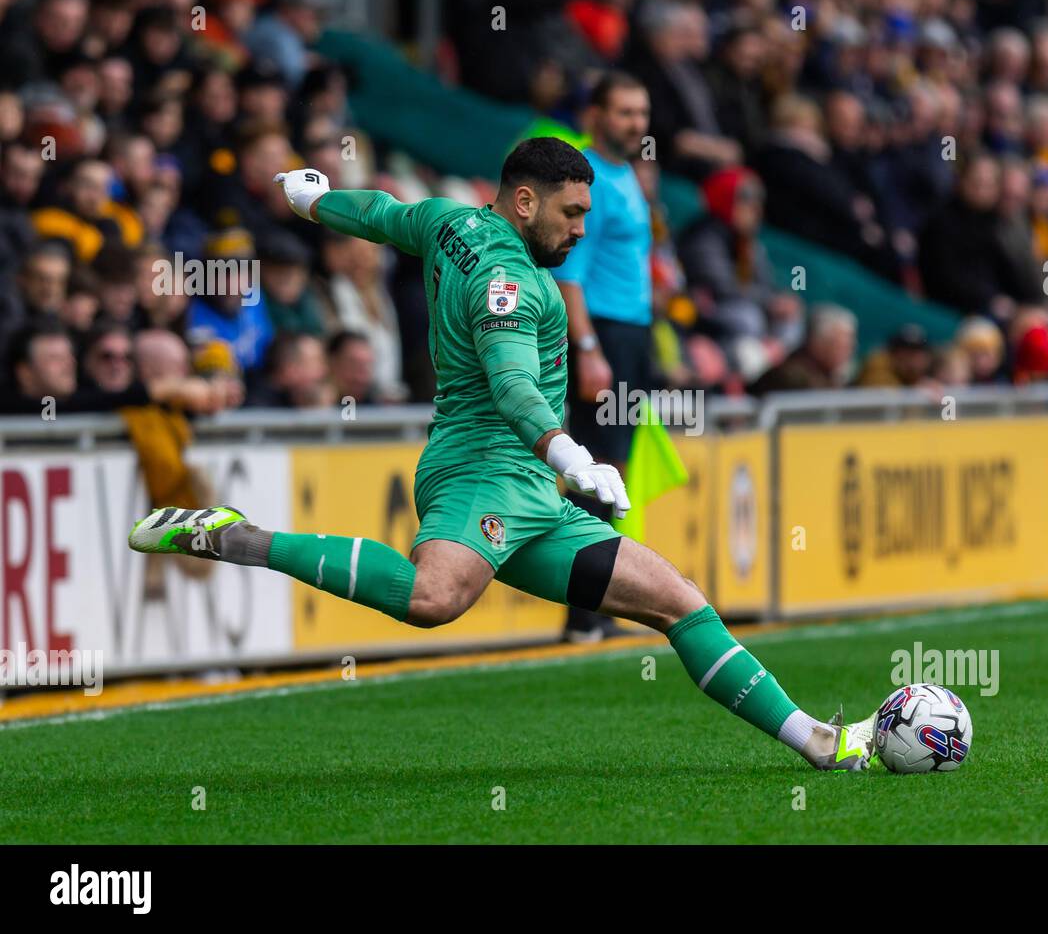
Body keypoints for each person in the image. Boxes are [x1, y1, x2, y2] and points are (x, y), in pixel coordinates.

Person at [128, 138, 877, 772]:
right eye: (571, 212)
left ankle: (818, 742)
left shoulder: (449, 221)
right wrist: (571, 454)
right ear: (524, 201)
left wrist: (313, 201)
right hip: (485, 468)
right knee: (432, 599)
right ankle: (238, 535)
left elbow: (384, 215)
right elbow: (513, 382)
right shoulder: (511, 282)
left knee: (678, 602)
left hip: (531, 493)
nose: (581, 230)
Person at [550, 72, 654, 644]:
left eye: (642, 113)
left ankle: (596, 609)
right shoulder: (586, 178)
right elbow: (570, 275)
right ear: (595, 114)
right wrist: (587, 348)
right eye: (624, 113)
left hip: (630, 336)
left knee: (611, 475)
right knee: (593, 475)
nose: (636, 124)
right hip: (604, 336)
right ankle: (580, 617)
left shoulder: (626, 176)